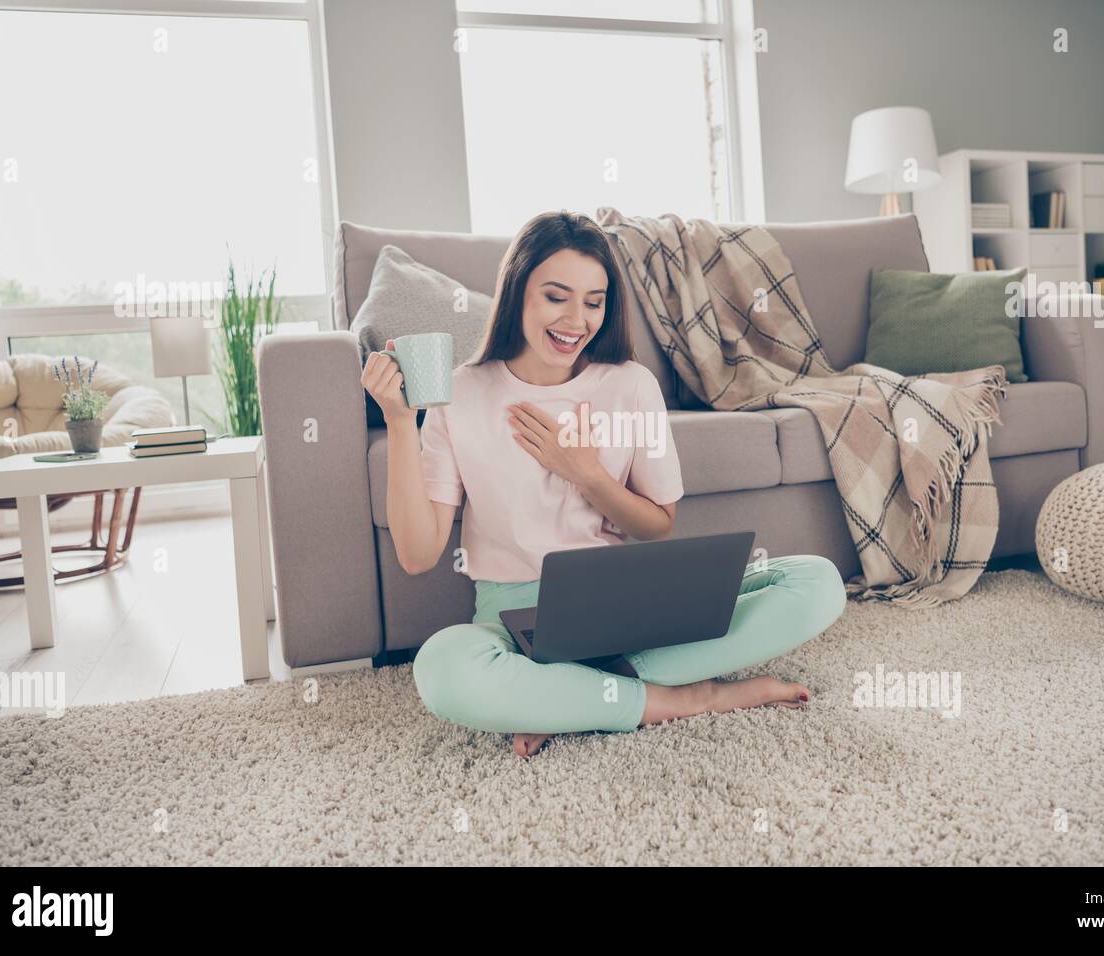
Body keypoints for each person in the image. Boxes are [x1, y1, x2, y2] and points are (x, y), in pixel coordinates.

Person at [361, 211, 845, 758]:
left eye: (594, 302)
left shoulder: (631, 386)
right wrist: (402, 423)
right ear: (517, 291)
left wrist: (586, 474)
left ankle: (565, 700)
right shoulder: (461, 392)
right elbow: (419, 553)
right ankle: (688, 699)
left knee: (817, 582)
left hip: (623, 608)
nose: (576, 319)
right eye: (556, 296)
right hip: (515, 625)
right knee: (443, 669)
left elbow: (658, 526)